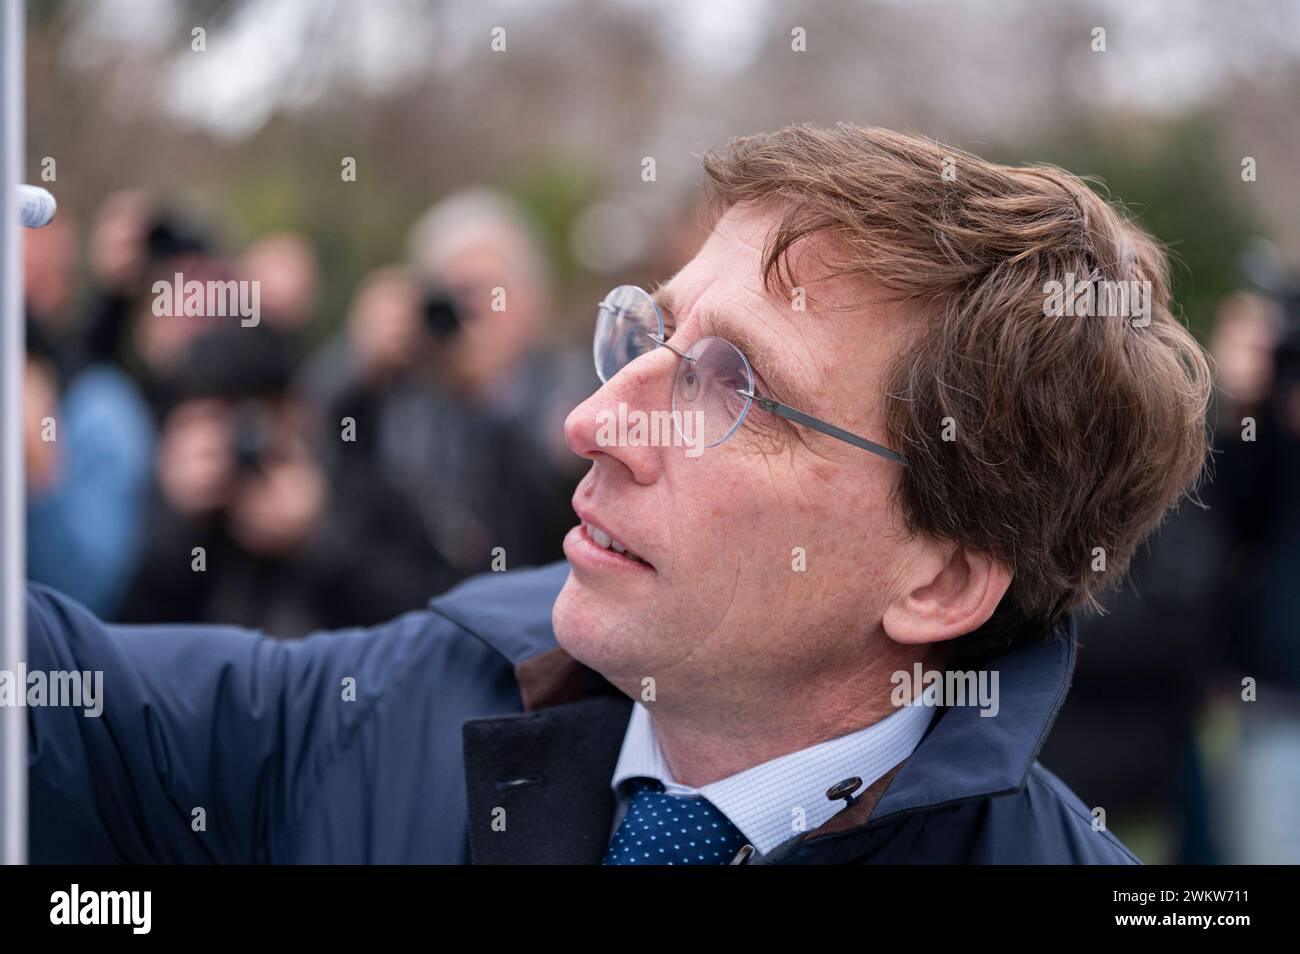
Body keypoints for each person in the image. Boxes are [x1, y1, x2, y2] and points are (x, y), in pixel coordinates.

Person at [25, 124, 1211, 864]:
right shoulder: (407, 699)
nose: (591, 423)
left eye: (731, 383)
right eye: (648, 335)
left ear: (940, 577)